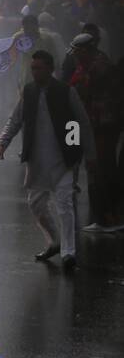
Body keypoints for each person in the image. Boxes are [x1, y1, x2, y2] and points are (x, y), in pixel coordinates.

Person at [0, 50, 94, 271]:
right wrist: (1, 145)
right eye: (33, 68)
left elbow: (80, 122)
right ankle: (55, 241)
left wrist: (78, 151)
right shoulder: (29, 92)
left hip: (63, 160)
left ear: (50, 68)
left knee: (64, 204)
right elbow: (15, 121)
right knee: (36, 204)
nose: (34, 72)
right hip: (37, 161)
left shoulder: (66, 92)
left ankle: (68, 252)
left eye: (38, 68)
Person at [68, 32, 121, 232]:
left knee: (100, 168)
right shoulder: (93, 63)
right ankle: (106, 216)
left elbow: (79, 88)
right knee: (98, 167)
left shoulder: (97, 67)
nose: (74, 55)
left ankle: (108, 218)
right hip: (93, 124)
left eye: (76, 51)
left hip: (100, 125)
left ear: (85, 50)